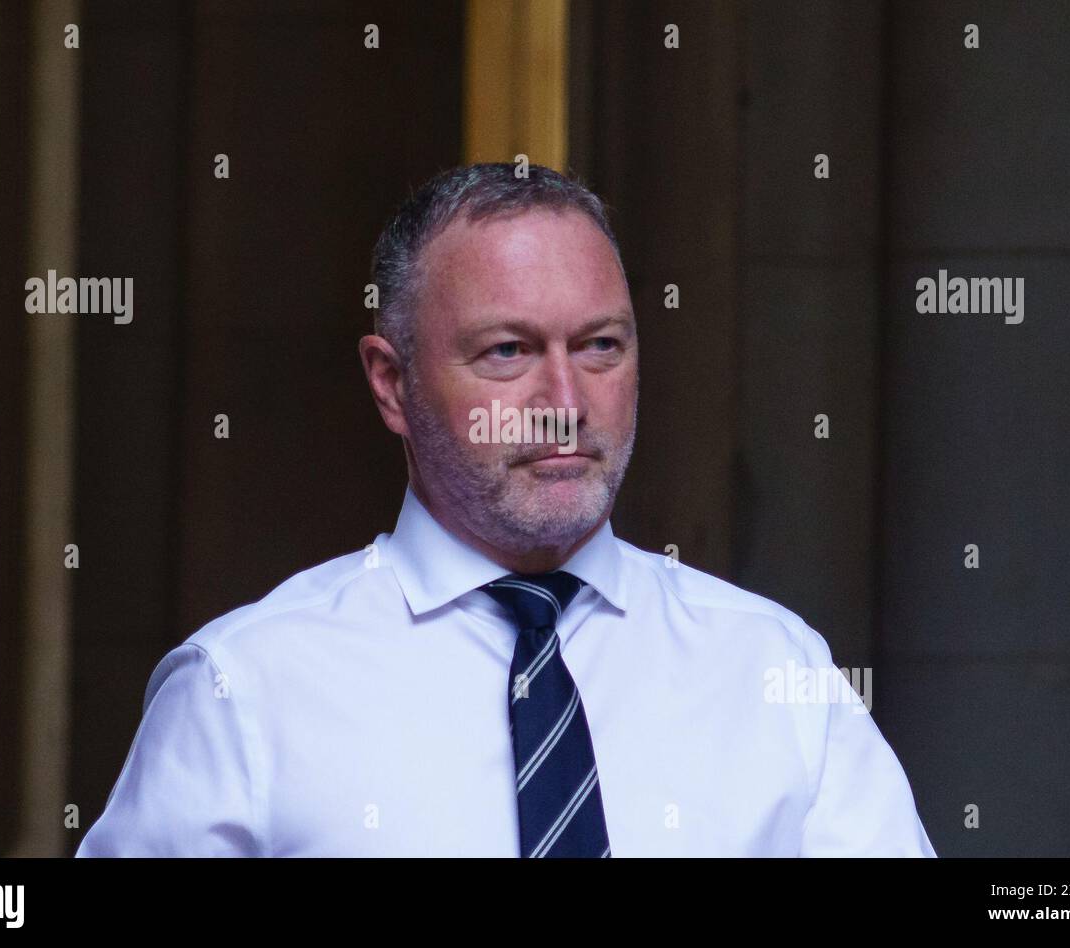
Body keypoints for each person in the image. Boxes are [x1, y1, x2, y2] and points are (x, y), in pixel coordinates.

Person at [77, 163, 936, 857]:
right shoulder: (246, 692)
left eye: (601, 345)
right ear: (392, 383)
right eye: (508, 351)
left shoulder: (774, 673)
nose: (564, 399)